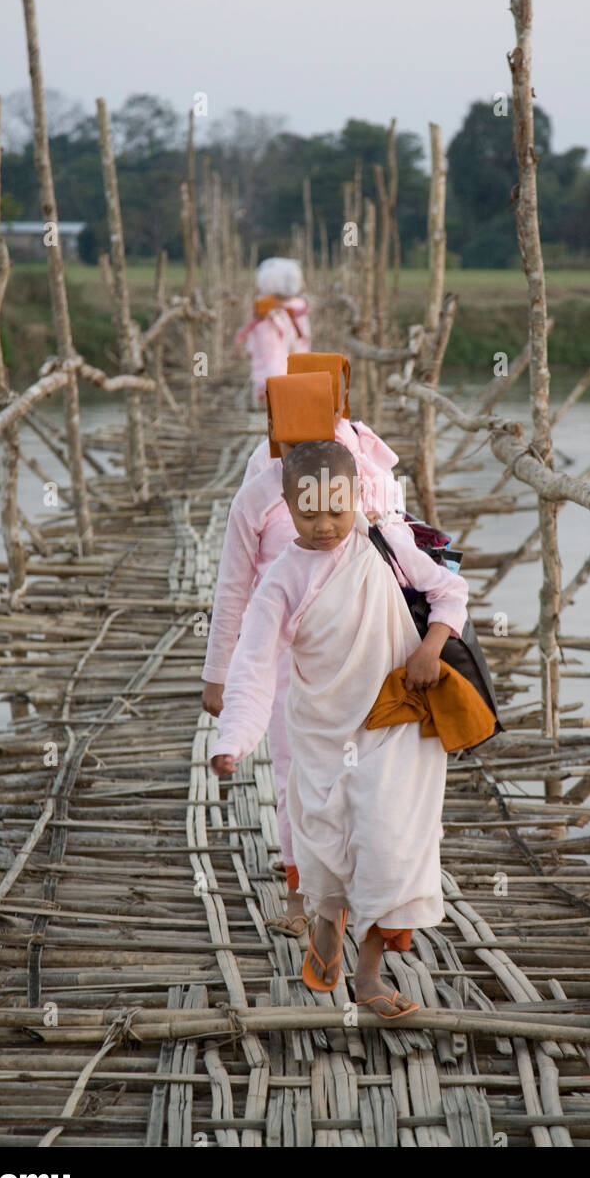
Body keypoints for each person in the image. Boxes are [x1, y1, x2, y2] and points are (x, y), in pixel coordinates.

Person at [209, 440, 469, 1020]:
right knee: (328, 845)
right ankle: (327, 924)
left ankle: (370, 977)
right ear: (286, 505)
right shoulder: (280, 581)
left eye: (337, 509)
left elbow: (450, 591)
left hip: (398, 721)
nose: (324, 525)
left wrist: (430, 648)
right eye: (308, 513)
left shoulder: (387, 540)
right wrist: (233, 740)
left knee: (387, 841)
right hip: (325, 732)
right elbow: (252, 668)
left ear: (357, 495)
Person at [201, 372, 337, 937]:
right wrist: (218, 674)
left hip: (349, 652)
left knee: (348, 773)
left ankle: (349, 889)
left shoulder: (356, 473)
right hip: (280, 649)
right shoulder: (258, 489)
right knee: (290, 772)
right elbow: (233, 587)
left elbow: (396, 554)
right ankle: (299, 901)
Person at [242, 351, 404, 523]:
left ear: (344, 400)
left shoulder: (361, 441)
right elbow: (247, 512)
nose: (328, 416)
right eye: (318, 403)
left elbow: (391, 496)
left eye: (334, 408)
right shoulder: (269, 454)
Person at [234, 258, 311, 404]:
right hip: (274, 370)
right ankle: (277, 392)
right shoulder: (267, 308)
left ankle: (281, 392)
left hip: (278, 368)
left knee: (282, 363)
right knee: (275, 364)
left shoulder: (294, 308)